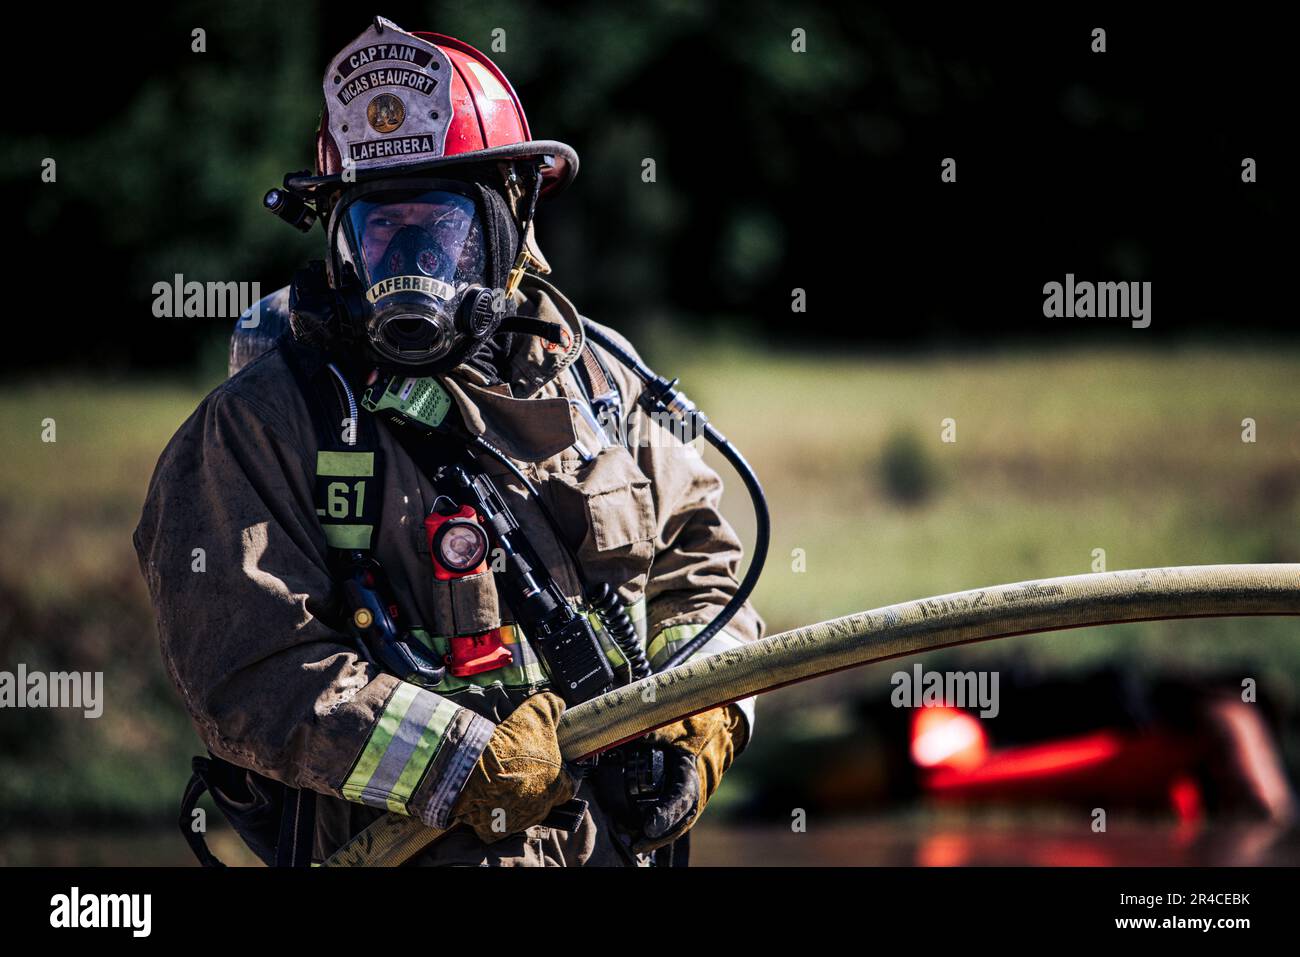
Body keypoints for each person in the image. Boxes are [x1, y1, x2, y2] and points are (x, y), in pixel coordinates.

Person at [134, 17, 761, 867]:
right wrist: (460, 763)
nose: (410, 265)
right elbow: (251, 672)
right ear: (336, 235)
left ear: (513, 214)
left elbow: (706, 567)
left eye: (440, 227)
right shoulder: (261, 427)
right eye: (379, 231)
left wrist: (699, 717)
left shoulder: (596, 383)